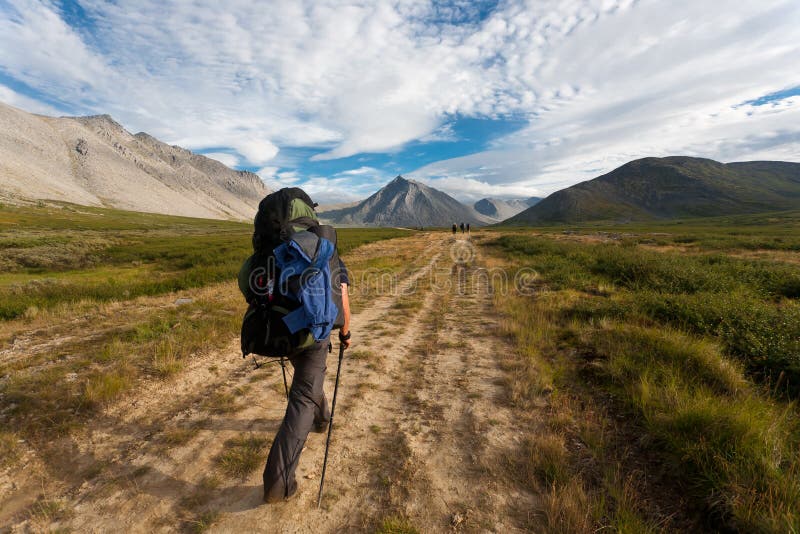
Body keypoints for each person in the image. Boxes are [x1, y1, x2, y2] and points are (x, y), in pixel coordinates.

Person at [261, 215, 352, 504]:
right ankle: (278, 483)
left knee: (307, 382)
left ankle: (322, 417)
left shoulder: (286, 251)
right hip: (316, 336)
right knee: (303, 397)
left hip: (286, 332)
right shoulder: (329, 256)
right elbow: (343, 299)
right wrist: (346, 333)